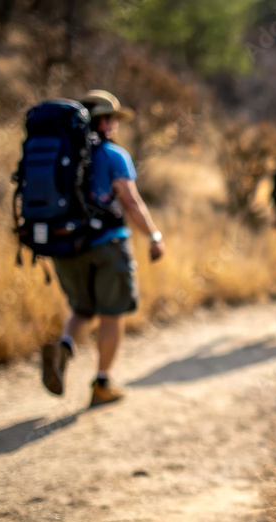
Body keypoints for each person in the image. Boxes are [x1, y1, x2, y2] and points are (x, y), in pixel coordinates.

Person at [41, 90, 166, 407]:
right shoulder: (113, 155)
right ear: (105, 122)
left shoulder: (58, 154)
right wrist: (153, 236)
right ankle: (102, 382)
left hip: (65, 247)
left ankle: (64, 347)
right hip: (107, 245)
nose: (115, 126)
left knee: (82, 309)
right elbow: (130, 203)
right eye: (113, 119)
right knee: (112, 314)